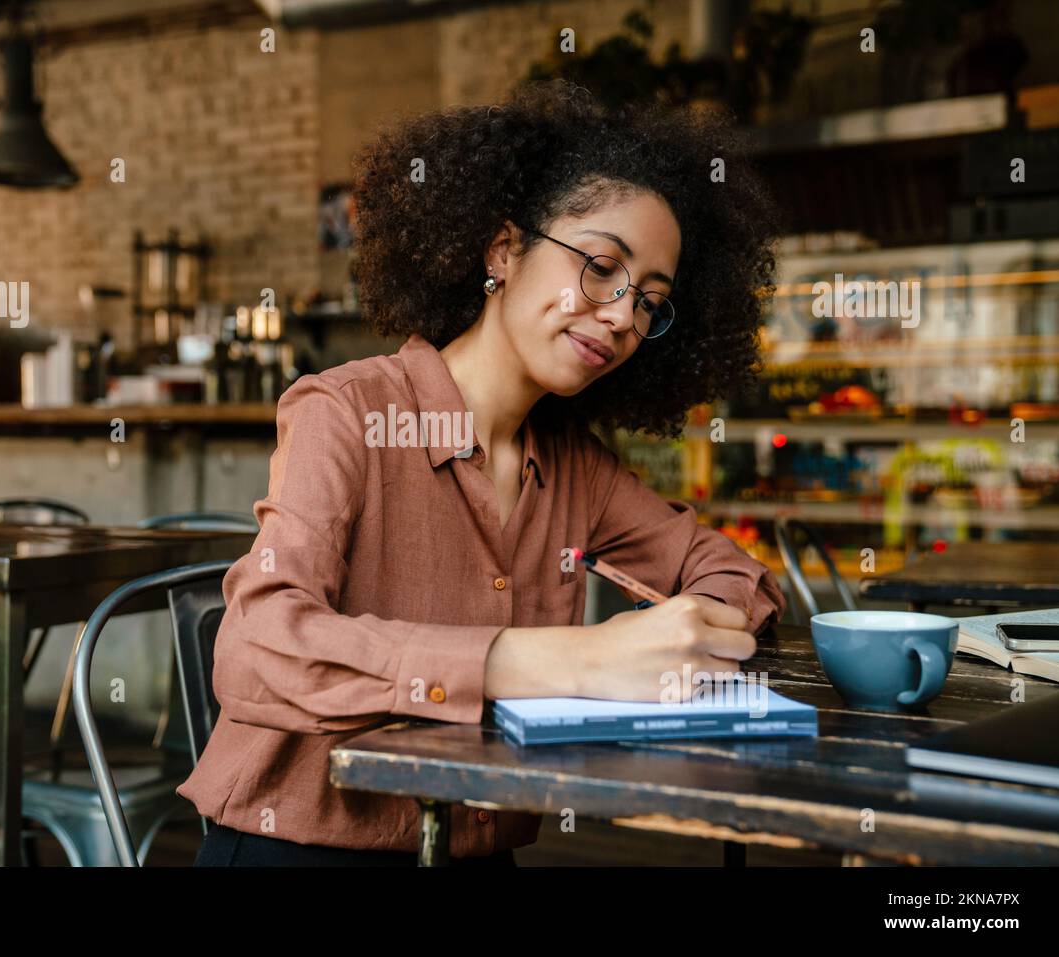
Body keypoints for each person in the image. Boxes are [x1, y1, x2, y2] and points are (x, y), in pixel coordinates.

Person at [181, 79, 787, 866]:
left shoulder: (575, 467)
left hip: (474, 844)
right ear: (504, 250)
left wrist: (686, 632)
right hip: (303, 843)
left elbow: (738, 574)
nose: (620, 316)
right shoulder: (347, 412)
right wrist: (550, 661)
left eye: (649, 302)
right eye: (602, 267)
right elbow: (256, 649)